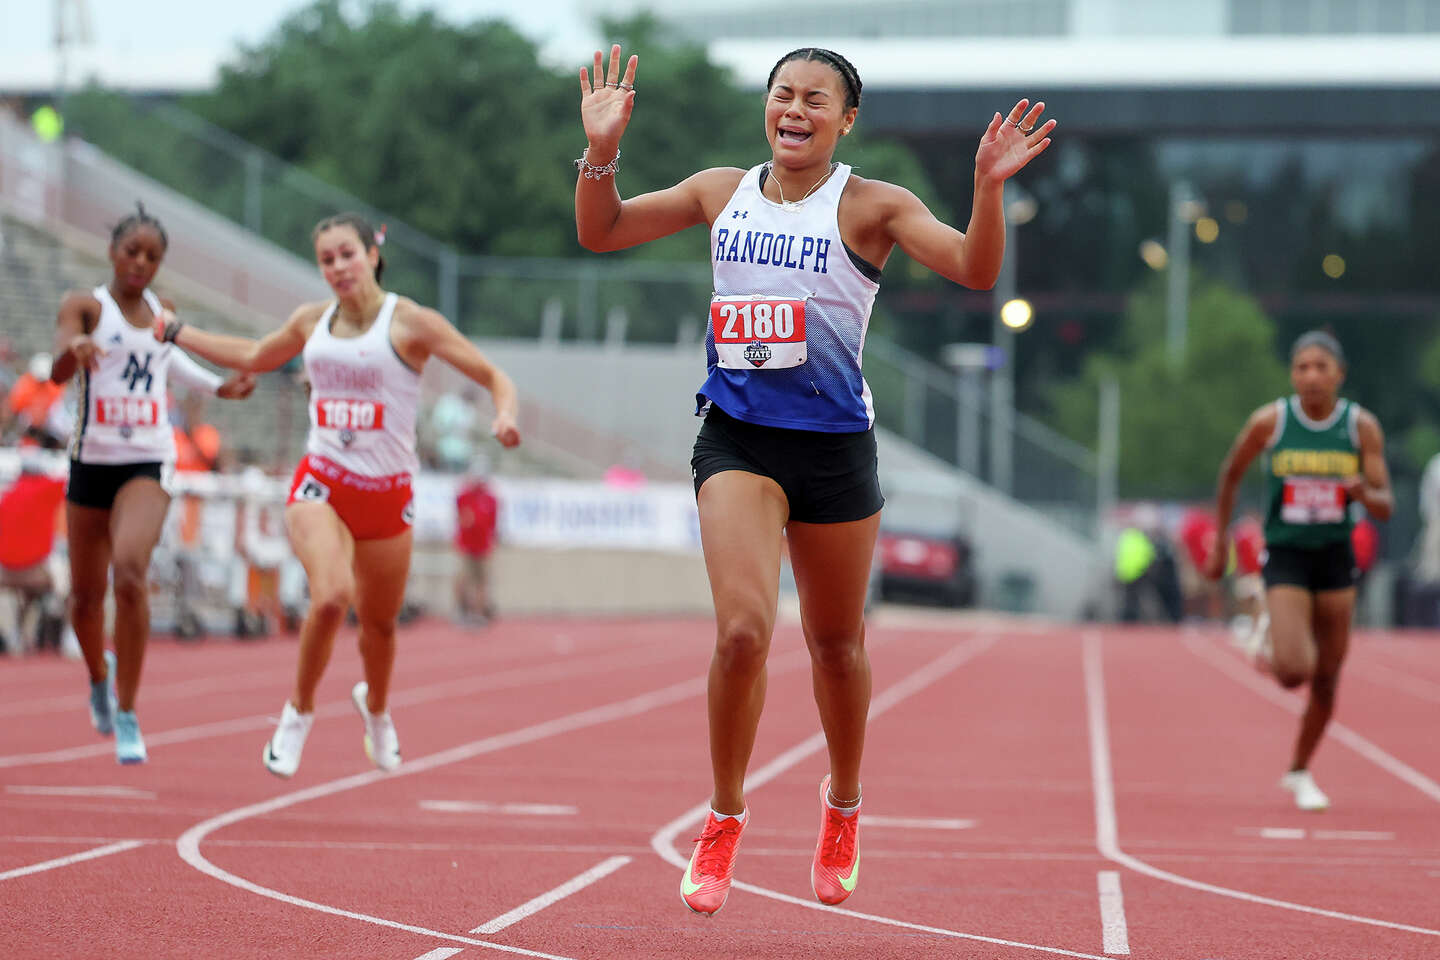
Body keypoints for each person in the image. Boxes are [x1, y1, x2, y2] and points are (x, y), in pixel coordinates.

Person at [575, 44, 1054, 912]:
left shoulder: (874, 205)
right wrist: (601, 153)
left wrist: (987, 191)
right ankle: (723, 816)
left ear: (846, 118)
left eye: (815, 100)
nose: (795, 110)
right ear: (766, 106)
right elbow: (600, 230)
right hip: (738, 440)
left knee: (836, 646)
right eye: (782, 95)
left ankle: (843, 803)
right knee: (742, 635)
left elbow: (976, 271)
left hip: (833, 449)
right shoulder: (722, 190)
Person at [155, 211, 522, 779]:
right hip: (321, 484)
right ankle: (297, 712)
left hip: (387, 496)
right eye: (326, 260)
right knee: (329, 596)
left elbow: (495, 375)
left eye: (346, 254)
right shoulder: (311, 323)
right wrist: (179, 333)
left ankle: (375, 711)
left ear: (372, 253)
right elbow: (254, 355)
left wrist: (504, 416)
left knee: (378, 627)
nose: (337, 268)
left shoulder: (410, 324)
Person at [51, 203, 256, 764]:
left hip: (148, 460)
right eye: (132, 251)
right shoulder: (86, 306)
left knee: (132, 572)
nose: (140, 263)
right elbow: (56, 366)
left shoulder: (163, 313)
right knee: (86, 598)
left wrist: (219, 389)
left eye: (152, 256)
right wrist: (76, 350)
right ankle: (98, 676)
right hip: (91, 461)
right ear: (113, 251)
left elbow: (170, 363)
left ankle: (127, 708)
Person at [1205, 330, 1392, 812]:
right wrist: (1221, 541)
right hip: (1286, 554)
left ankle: (1299, 770)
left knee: (1328, 680)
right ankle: (1276, 630)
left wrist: (1362, 494)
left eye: (1320, 367)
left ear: (1339, 375)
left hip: (1334, 555)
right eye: (1301, 367)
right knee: (1293, 673)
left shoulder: (1359, 427)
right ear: (1292, 374)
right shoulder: (1271, 421)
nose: (1310, 376)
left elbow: (1386, 504)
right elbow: (1230, 473)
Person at [454, 459, 499, 626]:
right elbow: (461, 518)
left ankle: (478, 614)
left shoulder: (491, 498)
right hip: (466, 544)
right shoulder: (464, 495)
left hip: (483, 545)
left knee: (482, 581)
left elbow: (493, 524)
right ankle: (462, 610)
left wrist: (492, 542)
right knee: (463, 578)